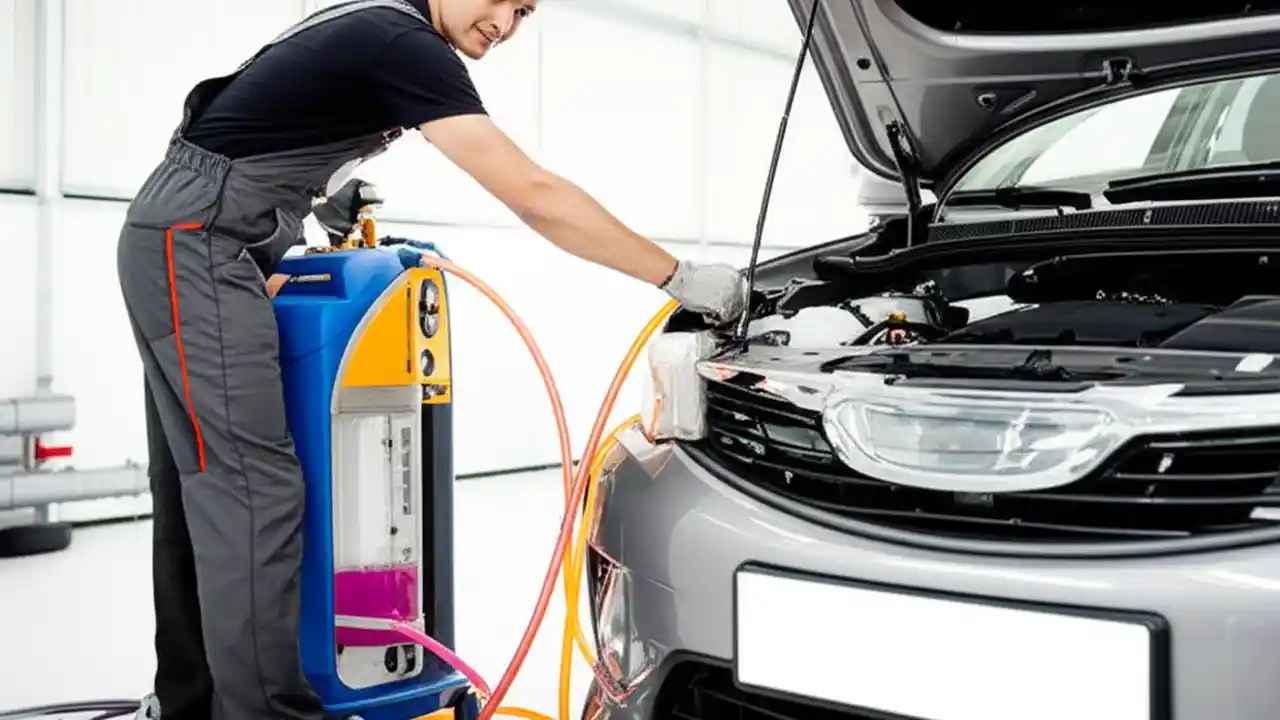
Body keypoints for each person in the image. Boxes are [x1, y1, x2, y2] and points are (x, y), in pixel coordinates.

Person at [115, 0, 746, 718]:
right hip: (202, 242)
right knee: (252, 494)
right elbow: (533, 193)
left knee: (201, 488)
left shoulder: (371, 23)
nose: (506, 26)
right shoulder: (404, 43)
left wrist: (307, 196)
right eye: (505, 2)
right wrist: (674, 274)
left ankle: (189, 704)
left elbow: (235, 118)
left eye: (526, 14)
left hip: (188, 235)